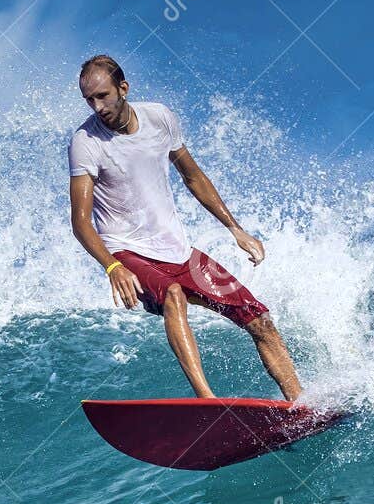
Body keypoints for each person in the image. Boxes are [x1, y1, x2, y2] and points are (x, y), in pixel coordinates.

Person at [67, 54, 302, 400]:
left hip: (178, 251)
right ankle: (206, 401)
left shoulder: (160, 118)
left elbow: (193, 177)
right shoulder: (86, 142)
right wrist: (112, 266)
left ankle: (301, 404)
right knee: (173, 295)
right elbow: (80, 222)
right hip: (128, 252)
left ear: (123, 88)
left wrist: (235, 229)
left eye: (103, 95)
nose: (97, 106)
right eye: (89, 99)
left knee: (260, 320)